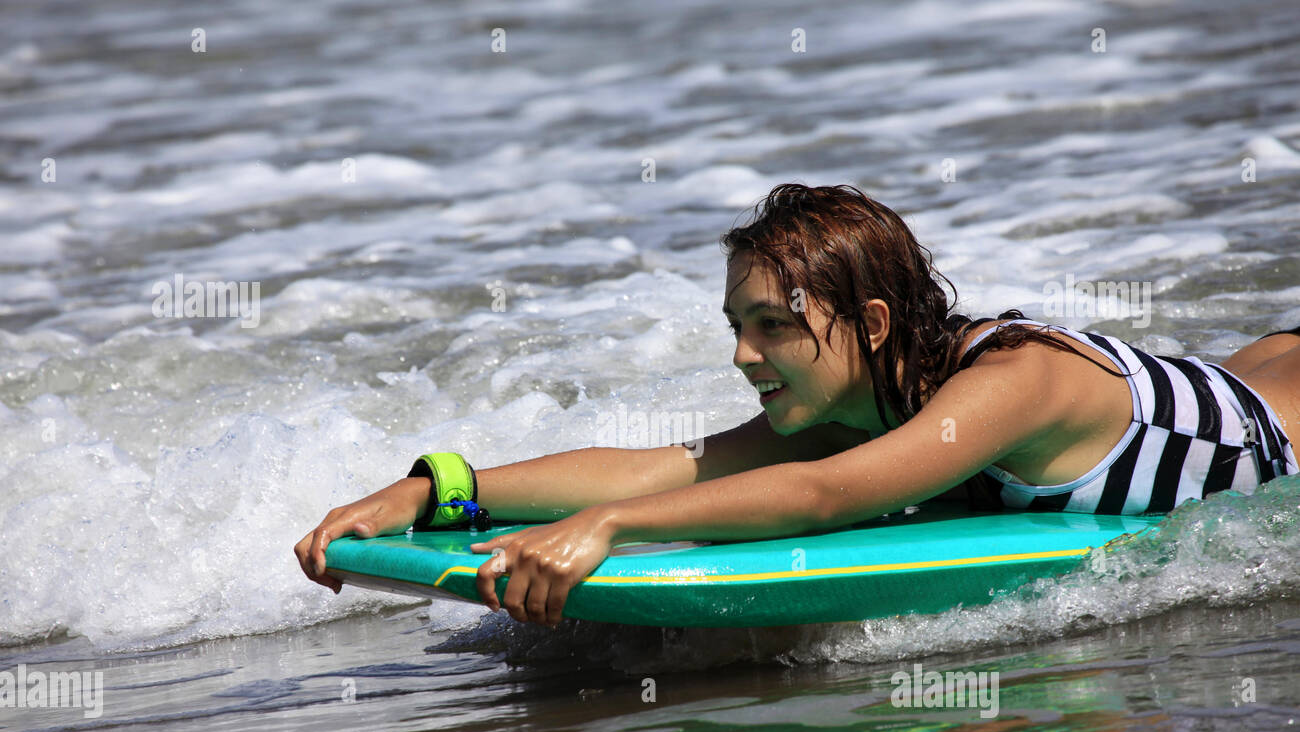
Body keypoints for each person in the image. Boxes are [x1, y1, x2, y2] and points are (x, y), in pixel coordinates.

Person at [295, 184, 1300, 627]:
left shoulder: (1010, 385)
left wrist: (606, 528)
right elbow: (666, 462)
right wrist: (432, 490)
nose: (743, 354)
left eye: (773, 324)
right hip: (1240, 371)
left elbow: (820, 497)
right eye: (735, 324)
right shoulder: (873, 394)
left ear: (867, 321)